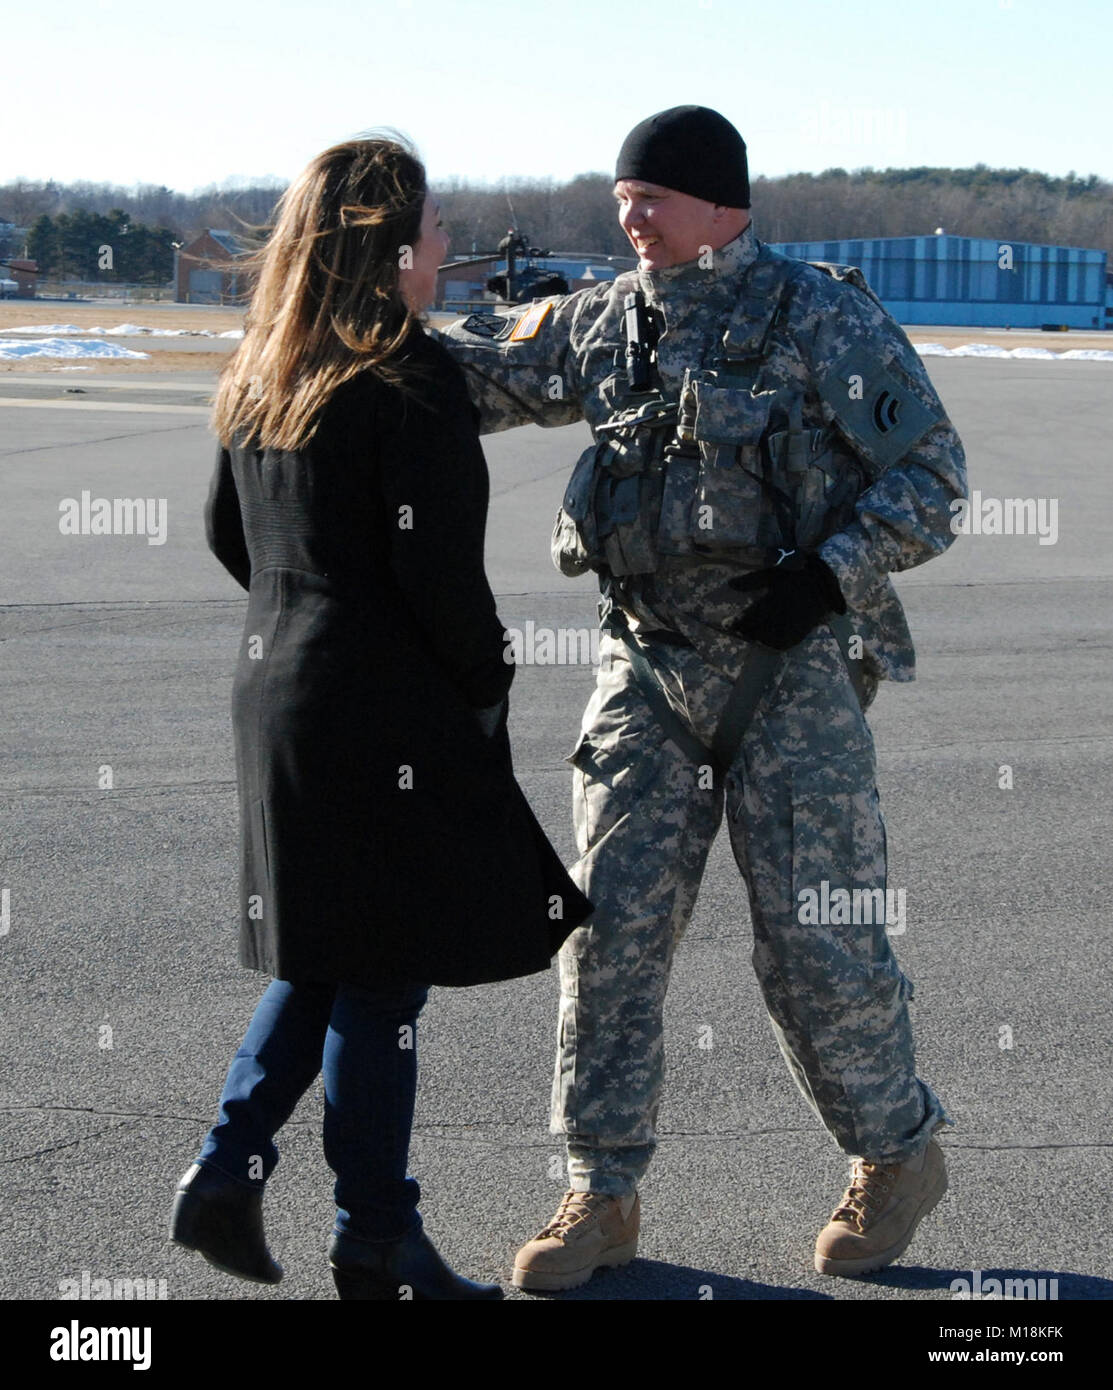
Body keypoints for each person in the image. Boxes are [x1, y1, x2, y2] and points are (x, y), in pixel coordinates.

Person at [440, 105, 967, 1290]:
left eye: (655, 197)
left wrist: (827, 577)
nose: (632, 216)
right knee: (608, 930)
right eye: (623, 195)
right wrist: (346, 333)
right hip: (647, 668)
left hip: (792, 678)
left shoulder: (821, 315)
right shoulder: (602, 320)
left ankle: (896, 1154)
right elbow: (471, 378)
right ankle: (601, 1191)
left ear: (723, 202)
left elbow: (935, 478)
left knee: (819, 944)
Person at [168, 134, 591, 1301]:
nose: (448, 246)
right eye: (437, 227)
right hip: (381, 711)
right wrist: (484, 683)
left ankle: (226, 1174)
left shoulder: (266, 372)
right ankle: (376, 1241)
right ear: (395, 249)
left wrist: (308, 606)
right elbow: (445, 582)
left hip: (279, 692)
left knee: (326, 953)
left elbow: (227, 537)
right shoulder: (408, 378)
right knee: (383, 977)